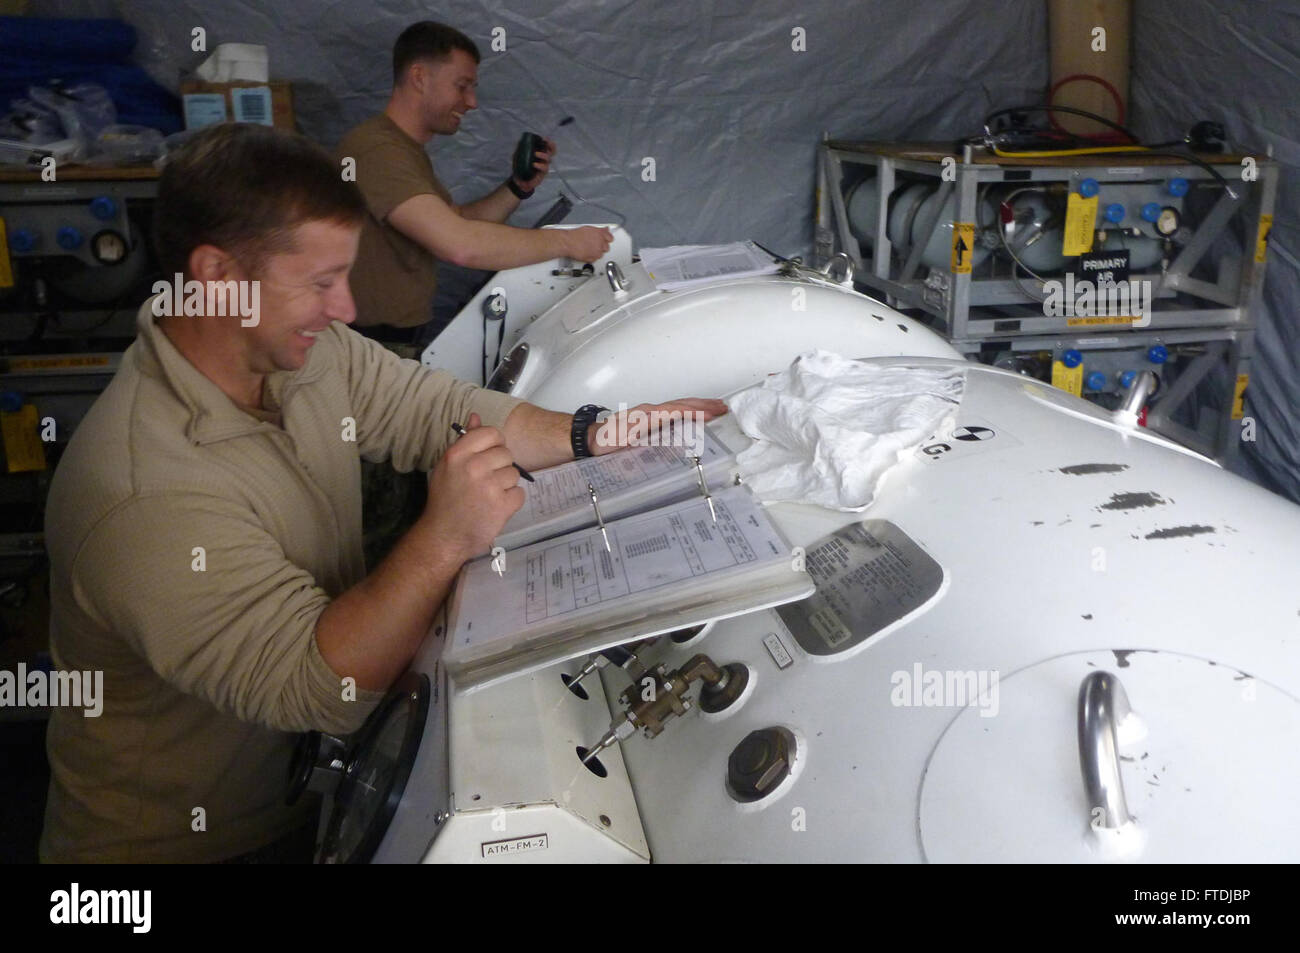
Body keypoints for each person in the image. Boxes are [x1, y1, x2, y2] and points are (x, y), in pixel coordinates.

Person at [39, 122, 724, 863]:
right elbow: (314, 685)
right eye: (320, 282)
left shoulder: (297, 351)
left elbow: (426, 407)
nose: (345, 308)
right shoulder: (145, 491)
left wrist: (599, 433)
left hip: (306, 797)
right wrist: (444, 538)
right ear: (216, 275)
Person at [336, 21, 612, 339]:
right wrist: (569, 242)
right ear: (419, 78)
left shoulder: (400, 149)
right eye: (462, 85)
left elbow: (457, 220)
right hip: (371, 341)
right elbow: (460, 244)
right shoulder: (376, 150)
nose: (472, 102)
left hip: (389, 341)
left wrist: (517, 188)